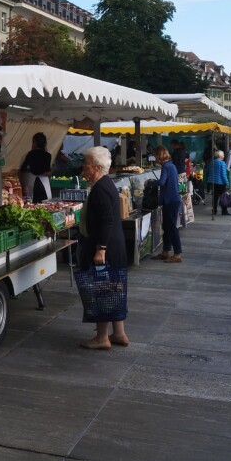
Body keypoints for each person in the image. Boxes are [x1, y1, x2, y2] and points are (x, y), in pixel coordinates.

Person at [75, 146, 128, 350]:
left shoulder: (101, 188)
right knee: (114, 289)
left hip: (106, 247)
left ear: (97, 167)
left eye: (86, 164)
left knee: (103, 291)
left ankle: (102, 338)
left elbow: (106, 220)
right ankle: (119, 333)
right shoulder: (105, 184)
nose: (83, 167)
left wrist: (101, 249)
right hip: (114, 245)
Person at [153, 146, 183, 262]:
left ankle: (177, 253)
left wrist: (150, 183)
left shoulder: (166, 166)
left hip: (170, 201)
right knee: (166, 226)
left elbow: (161, 182)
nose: (154, 158)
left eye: (155, 155)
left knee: (171, 227)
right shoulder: (172, 165)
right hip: (173, 199)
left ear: (159, 156)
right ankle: (165, 251)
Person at [19, 132, 52, 203]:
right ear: (45, 144)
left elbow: (22, 169)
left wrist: (23, 185)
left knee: (31, 204)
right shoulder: (48, 155)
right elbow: (48, 172)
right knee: (46, 204)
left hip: (31, 182)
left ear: (34, 142)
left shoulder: (30, 154)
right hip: (44, 183)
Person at [205, 148, 231, 215]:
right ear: (220, 156)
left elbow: (206, 171)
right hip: (220, 183)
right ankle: (224, 211)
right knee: (223, 197)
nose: (224, 156)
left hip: (212, 182)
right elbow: (223, 174)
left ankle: (214, 210)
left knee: (215, 197)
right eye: (223, 155)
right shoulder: (222, 163)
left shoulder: (212, 162)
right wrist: (227, 183)